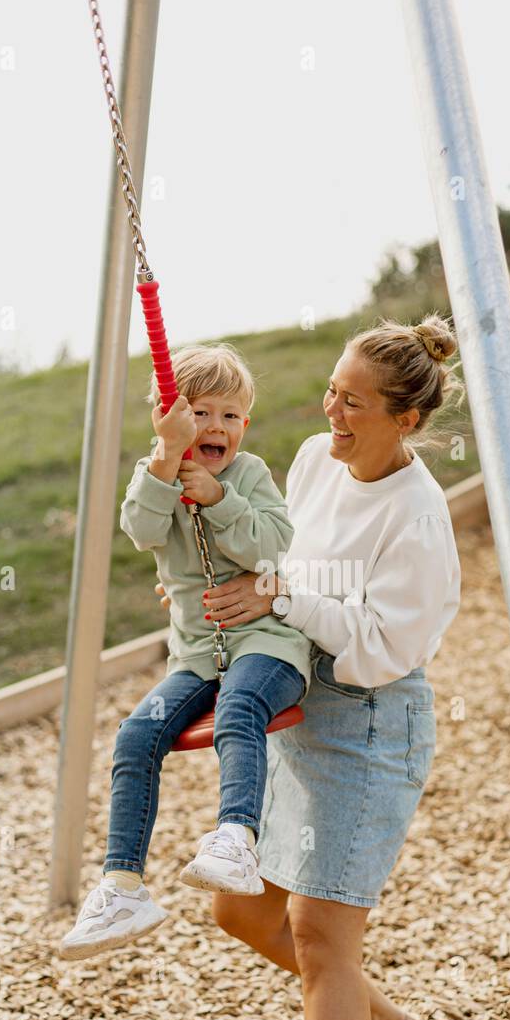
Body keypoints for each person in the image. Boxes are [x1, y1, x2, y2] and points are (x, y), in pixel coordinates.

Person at [178, 313, 463, 1020]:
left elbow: (381, 649)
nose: (331, 411)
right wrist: (211, 584)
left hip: (372, 723)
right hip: (298, 699)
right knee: (237, 904)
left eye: (355, 403)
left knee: (318, 933)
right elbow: (276, 558)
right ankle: (374, 1017)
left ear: (406, 422)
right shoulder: (309, 460)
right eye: (333, 391)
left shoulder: (419, 519)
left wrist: (285, 593)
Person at [58, 344, 311, 962]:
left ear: (244, 426)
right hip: (197, 656)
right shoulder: (158, 478)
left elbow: (274, 549)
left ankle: (235, 837)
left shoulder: (248, 475)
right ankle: (122, 885)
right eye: (200, 413)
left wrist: (222, 501)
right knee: (135, 735)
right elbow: (141, 531)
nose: (216, 427)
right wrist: (168, 465)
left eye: (230, 415)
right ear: (170, 422)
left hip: (267, 646)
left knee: (241, 706)